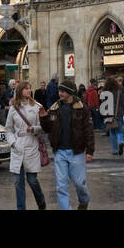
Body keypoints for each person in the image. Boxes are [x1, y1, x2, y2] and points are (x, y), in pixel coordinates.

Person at [43, 81, 93, 210]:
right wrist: (43, 118)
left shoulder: (81, 108)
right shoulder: (55, 107)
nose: (60, 93)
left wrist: (90, 150)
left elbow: (88, 129)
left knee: (79, 184)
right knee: (61, 186)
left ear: (70, 92)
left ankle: (84, 200)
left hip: (76, 151)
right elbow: (49, 128)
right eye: (59, 91)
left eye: (63, 91)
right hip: (60, 152)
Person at [5, 80, 47, 210]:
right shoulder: (13, 108)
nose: (29, 90)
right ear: (20, 91)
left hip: (32, 145)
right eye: (26, 88)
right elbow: (8, 129)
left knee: (32, 180)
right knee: (18, 182)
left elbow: (44, 127)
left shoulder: (37, 106)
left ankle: (41, 202)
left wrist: (34, 129)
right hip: (18, 146)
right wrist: (13, 142)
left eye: (30, 88)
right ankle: (21, 208)